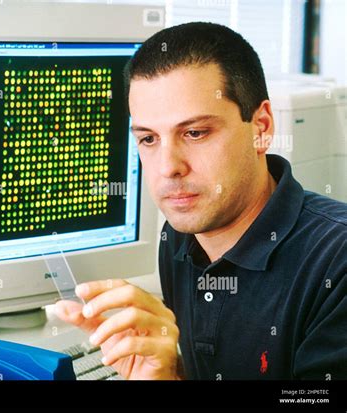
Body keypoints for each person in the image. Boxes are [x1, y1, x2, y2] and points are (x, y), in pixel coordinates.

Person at [55, 22, 347, 380]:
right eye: (148, 139)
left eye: (194, 133)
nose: (168, 168)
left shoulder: (337, 265)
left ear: (262, 128)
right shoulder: (180, 237)